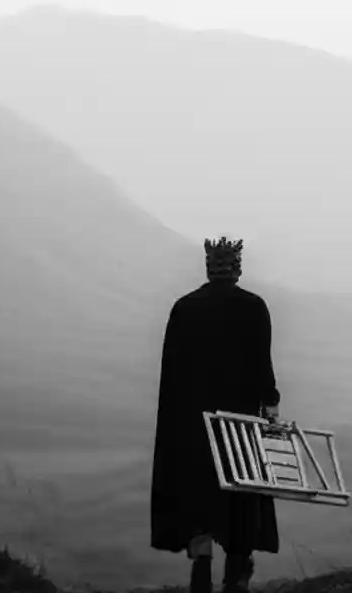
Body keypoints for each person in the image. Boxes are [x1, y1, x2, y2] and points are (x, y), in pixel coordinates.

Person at [150, 236, 281, 593]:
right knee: (240, 493)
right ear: (237, 268)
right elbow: (261, 366)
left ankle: (201, 570)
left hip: (190, 422)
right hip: (238, 422)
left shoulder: (185, 308)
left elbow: (172, 372)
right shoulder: (253, 307)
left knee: (196, 494)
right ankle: (236, 577)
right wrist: (271, 407)